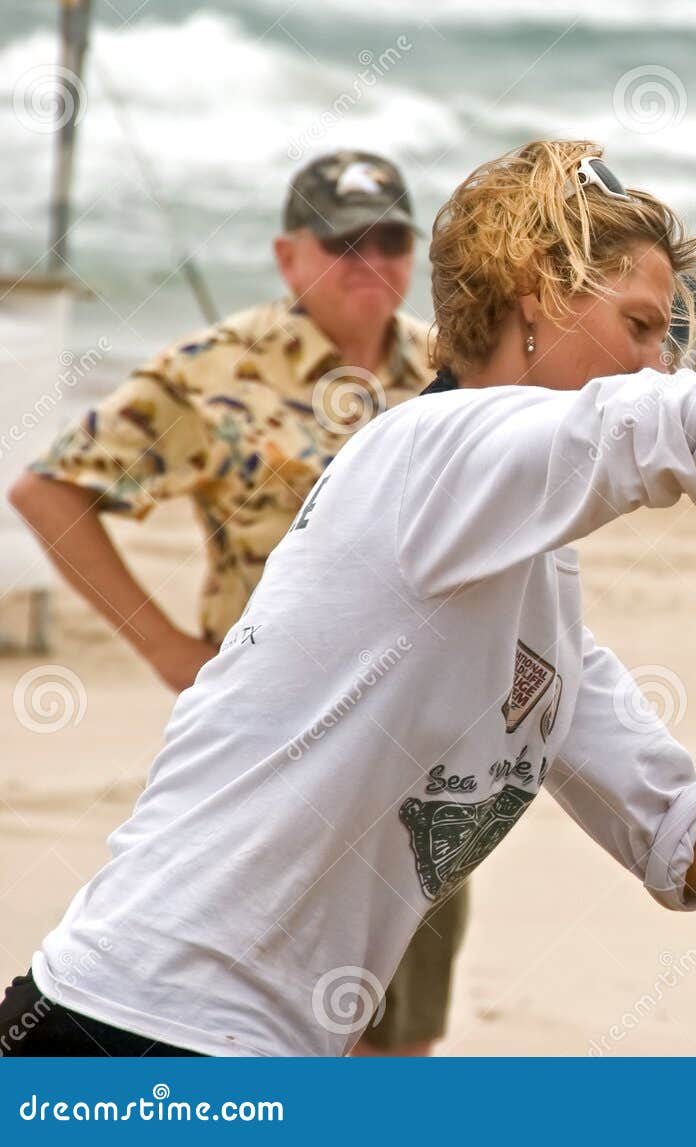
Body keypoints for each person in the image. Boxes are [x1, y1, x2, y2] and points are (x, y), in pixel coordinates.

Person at [0, 140, 696, 1057]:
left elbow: (678, 833)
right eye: (639, 325)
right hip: (122, 1037)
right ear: (538, 290)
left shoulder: (532, 605)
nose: (652, 362)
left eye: (666, 340)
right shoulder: (423, 453)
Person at [6, 150, 466, 1058]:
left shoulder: (452, 374)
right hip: (273, 755)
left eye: (391, 239)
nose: (371, 261)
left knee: (401, 1040)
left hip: (424, 756)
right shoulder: (215, 372)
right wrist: (170, 650)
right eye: (344, 244)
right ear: (289, 256)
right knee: (248, 1027)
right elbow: (50, 492)